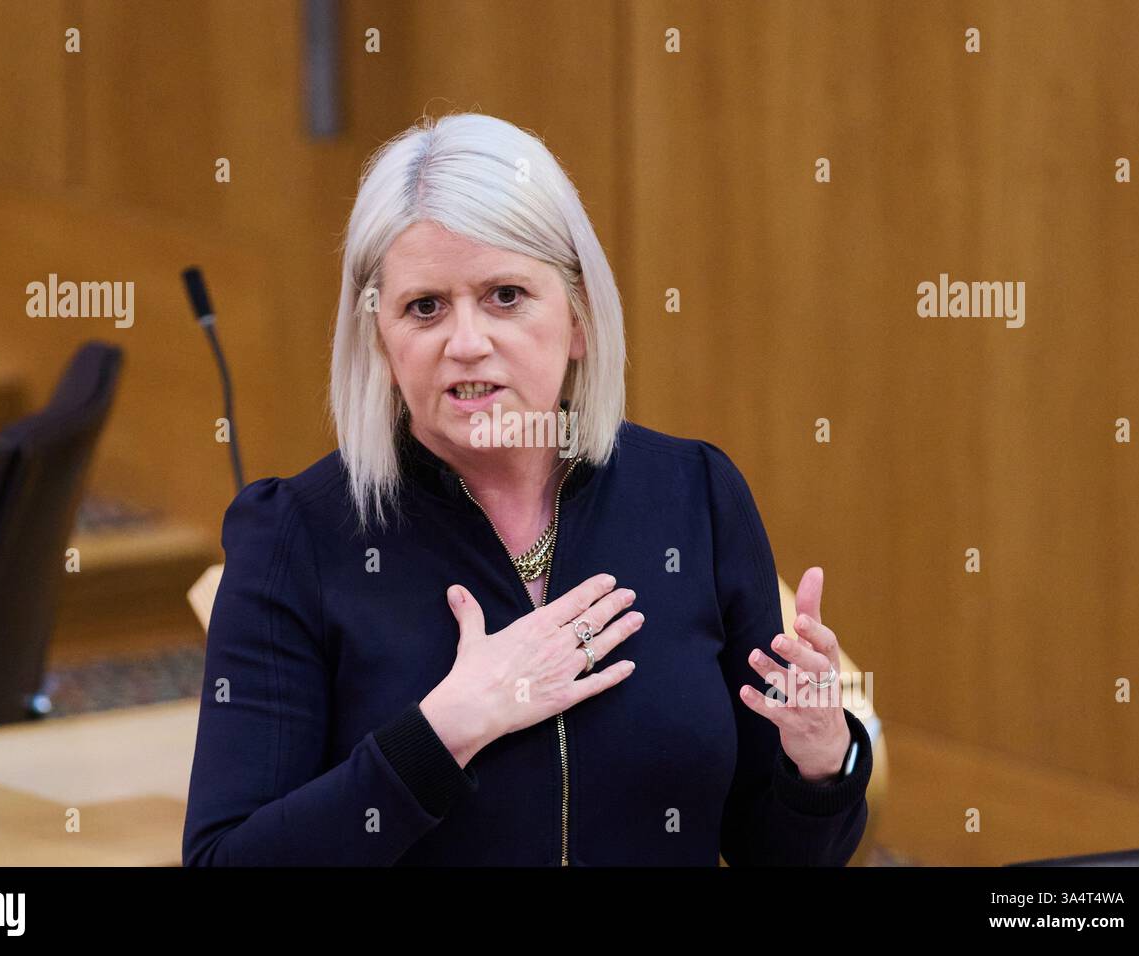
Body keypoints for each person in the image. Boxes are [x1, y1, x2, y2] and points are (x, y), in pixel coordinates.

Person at [182, 111, 872, 866]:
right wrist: (448, 728)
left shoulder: (693, 496)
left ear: (578, 319)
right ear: (380, 338)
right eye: (425, 307)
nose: (468, 341)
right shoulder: (297, 536)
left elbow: (775, 854)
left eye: (506, 295)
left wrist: (819, 761)